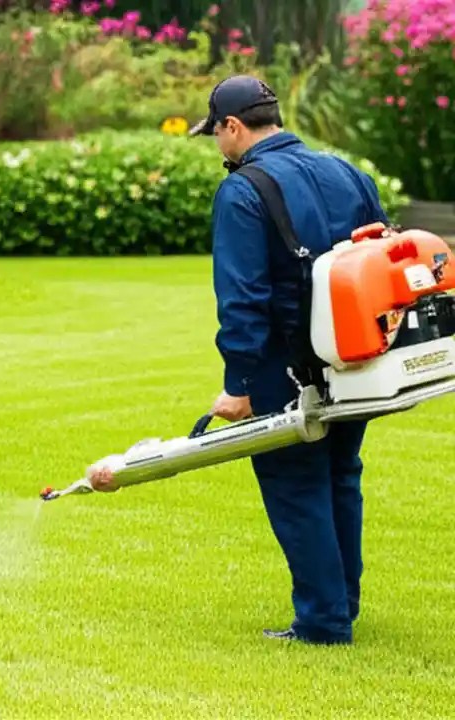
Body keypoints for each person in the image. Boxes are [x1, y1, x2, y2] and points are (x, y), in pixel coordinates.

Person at [92, 75, 390, 646]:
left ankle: (324, 624)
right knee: (339, 474)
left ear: (233, 126)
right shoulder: (346, 170)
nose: (218, 145)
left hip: (286, 364)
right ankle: (340, 605)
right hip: (355, 354)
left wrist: (240, 384)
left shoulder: (244, 190)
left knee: (294, 481)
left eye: (217, 133)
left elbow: (242, 300)